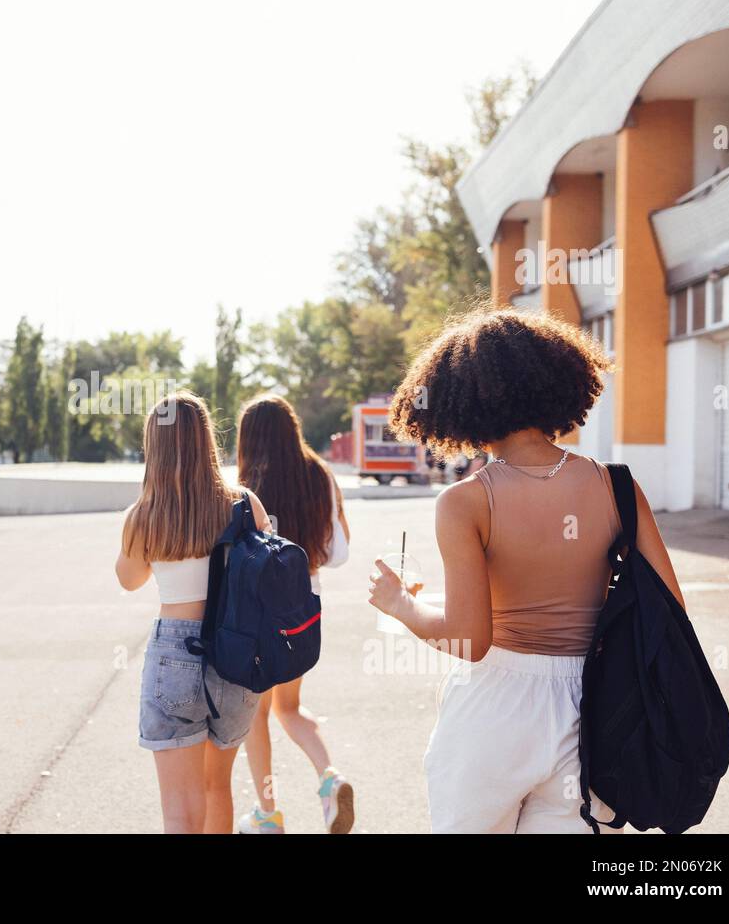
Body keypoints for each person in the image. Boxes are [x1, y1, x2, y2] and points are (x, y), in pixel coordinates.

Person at [368, 309, 685, 833]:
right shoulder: (619, 488)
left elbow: (469, 641)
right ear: (557, 382)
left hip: (494, 710)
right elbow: (670, 612)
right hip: (598, 709)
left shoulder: (467, 502)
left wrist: (400, 603)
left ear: (459, 401)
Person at [116, 391, 272, 833]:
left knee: (180, 810)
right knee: (216, 787)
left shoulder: (144, 514)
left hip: (174, 651)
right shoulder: (243, 502)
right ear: (207, 439)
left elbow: (129, 580)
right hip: (236, 649)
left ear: (154, 446)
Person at [234, 394, 354, 834]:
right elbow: (336, 554)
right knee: (290, 709)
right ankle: (330, 780)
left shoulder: (244, 488)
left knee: (257, 716)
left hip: (257, 617)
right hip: (305, 608)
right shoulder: (321, 475)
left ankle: (267, 815)